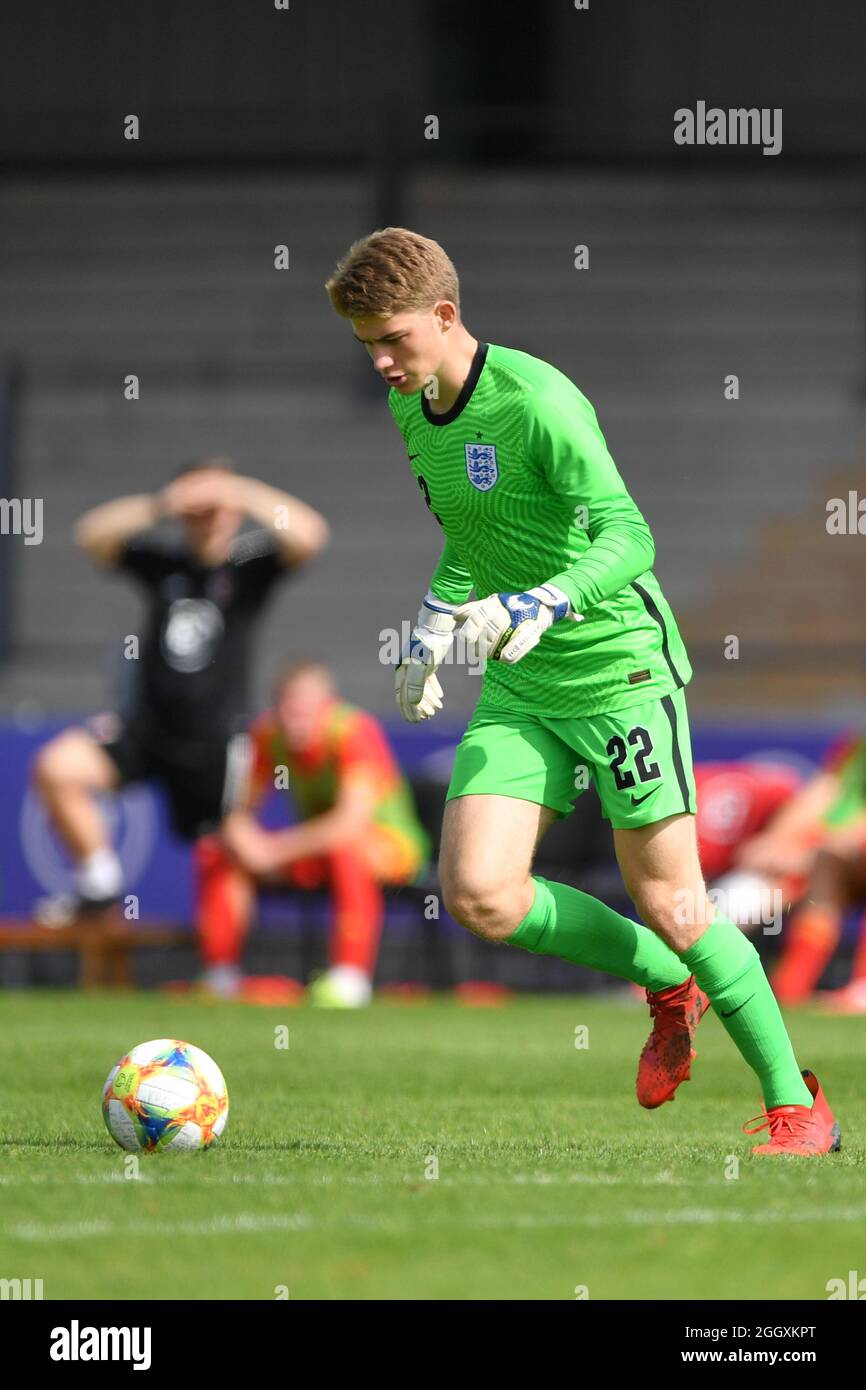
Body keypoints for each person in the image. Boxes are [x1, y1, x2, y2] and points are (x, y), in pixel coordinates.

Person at [323, 226, 840, 1156]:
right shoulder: (415, 407)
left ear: (445, 316)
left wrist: (545, 599)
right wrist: (434, 625)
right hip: (524, 683)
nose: (382, 362)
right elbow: (475, 534)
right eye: (367, 344)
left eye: (394, 338)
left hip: (620, 673)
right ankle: (664, 983)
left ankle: (795, 1106)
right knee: (479, 890)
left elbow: (631, 536)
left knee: (678, 905)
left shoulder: (540, 401)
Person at [32, 458, 329, 921]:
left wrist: (240, 491)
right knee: (59, 767)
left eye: (214, 505)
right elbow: (91, 535)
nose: (206, 513)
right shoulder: (165, 564)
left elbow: (310, 535)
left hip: (214, 745)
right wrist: (162, 503)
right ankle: (99, 881)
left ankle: (227, 970)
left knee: (233, 854)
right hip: (146, 730)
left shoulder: (249, 565)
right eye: (197, 504)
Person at [195, 659, 431, 1005]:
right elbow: (236, 811)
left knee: (346, 850)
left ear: (328, 707)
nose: (295, 719)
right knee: (215, 850)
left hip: (392, 850)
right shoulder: (268, 736)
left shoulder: (353, 732)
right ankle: (221, 977)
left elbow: (349, 824)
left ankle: (350, 979)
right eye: (287, 708)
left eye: (305, 708)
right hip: (315, 853)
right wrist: (241, 838)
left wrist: (272, 850)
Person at [733, 733, 866, 1008]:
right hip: (838, 857)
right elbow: (820, 795)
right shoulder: (856, 747)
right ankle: (789, 993)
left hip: (845, 849)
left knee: (817, 862)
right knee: (815, 874)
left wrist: (810, 850)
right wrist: (778, 840)